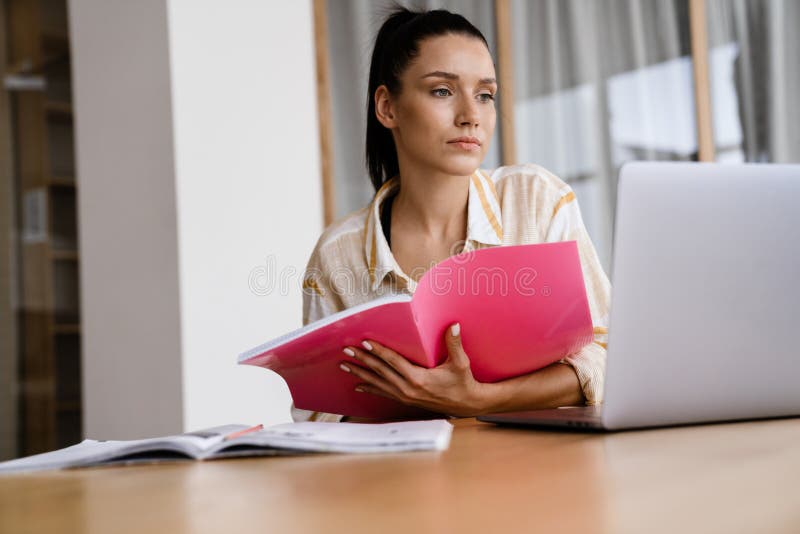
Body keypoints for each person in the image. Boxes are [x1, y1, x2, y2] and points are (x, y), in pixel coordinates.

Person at [294, 8, 610, 422]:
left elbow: (608, 355)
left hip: (542, 462)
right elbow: (318, 414)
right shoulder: (339, 254)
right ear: (387, 107)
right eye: (442, 91)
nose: (470, 116)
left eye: (485, 95)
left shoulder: (537, 200)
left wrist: (480, 400)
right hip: (402, 466)